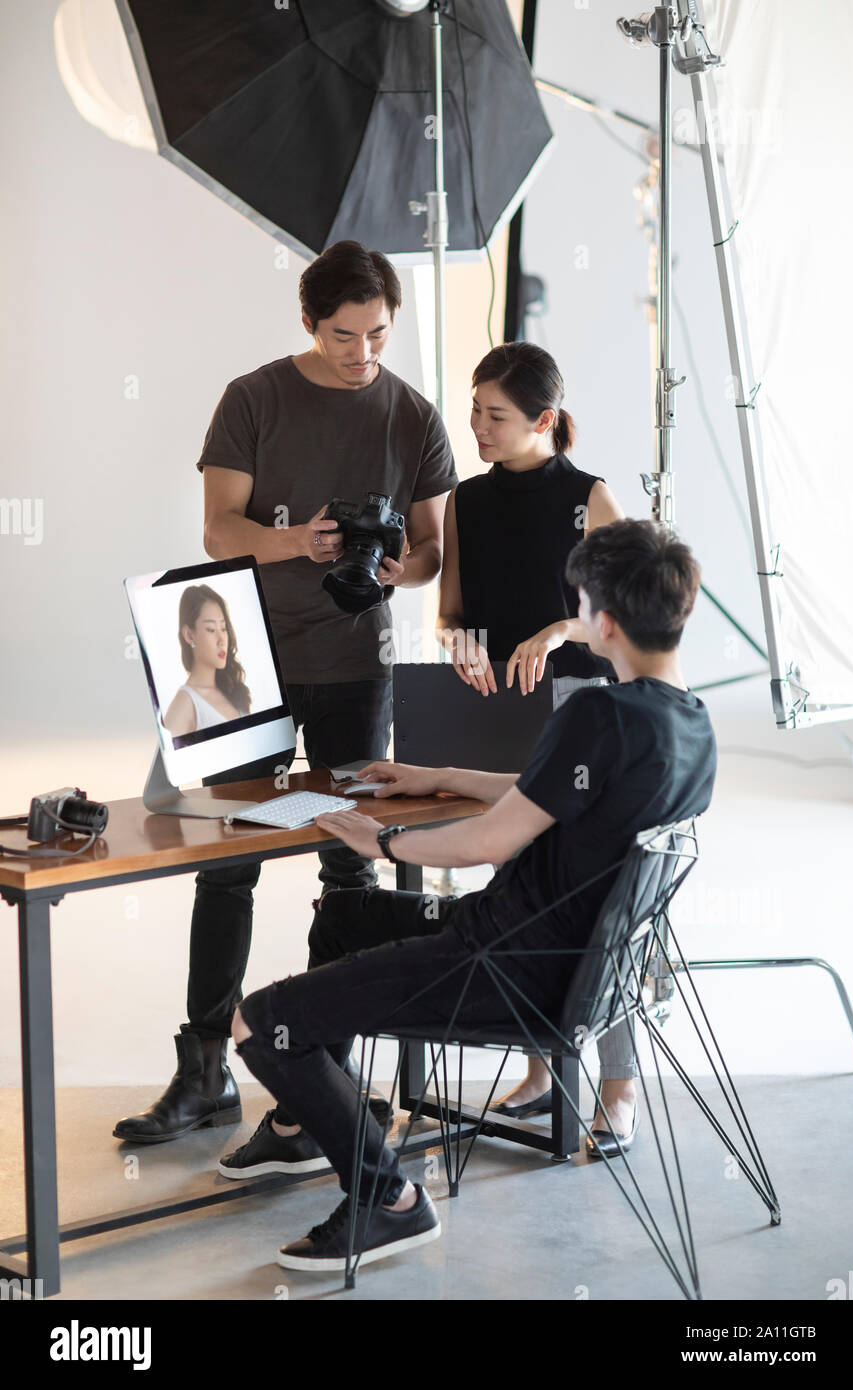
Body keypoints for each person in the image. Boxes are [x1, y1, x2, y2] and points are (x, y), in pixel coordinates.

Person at [229, 518, 718, 1271]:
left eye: (581, 603)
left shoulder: (599, 713)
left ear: (606, 622)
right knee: (343, 917)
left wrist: (381, 842)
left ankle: (388, 1199)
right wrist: (439, 776)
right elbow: (546, 795)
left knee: (260, 1025)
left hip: (499, 967)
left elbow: (492, 840)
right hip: (566, 965)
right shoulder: (689, 726)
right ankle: (312, 1123)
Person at [114, 240, 458, 1145]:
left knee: (349, 861)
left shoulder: (415, 415)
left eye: (379, 335)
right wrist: (294, 542)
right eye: (346, 336)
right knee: (225, 862)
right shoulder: (254, 397)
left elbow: (431, 552)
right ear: (309, 322)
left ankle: (323, 1075)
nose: (364, 355)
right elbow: (218, 527)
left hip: (358, 660)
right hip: (244, 664)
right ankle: (203, 1072)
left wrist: (392, 568)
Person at [436, 341, 632, 1136]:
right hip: (504, 713)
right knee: (520, 891)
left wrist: (560, 627)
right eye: (474, 411)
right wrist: (459, 639)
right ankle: (541, 1069)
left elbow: (630, 617)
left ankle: (617, 1093)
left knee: (606, 901)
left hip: (589, 712)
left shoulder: (591, 498)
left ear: (544, 420)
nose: (477, 428)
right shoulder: (465, 501)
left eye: (496, 416)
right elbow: (449, 608)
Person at [163, 585, 251, 735]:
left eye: (223, 629)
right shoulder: (186, 703)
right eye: (211, 629)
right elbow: (169, 757)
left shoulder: (230, 688)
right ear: (189, 635)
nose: (221, 640)